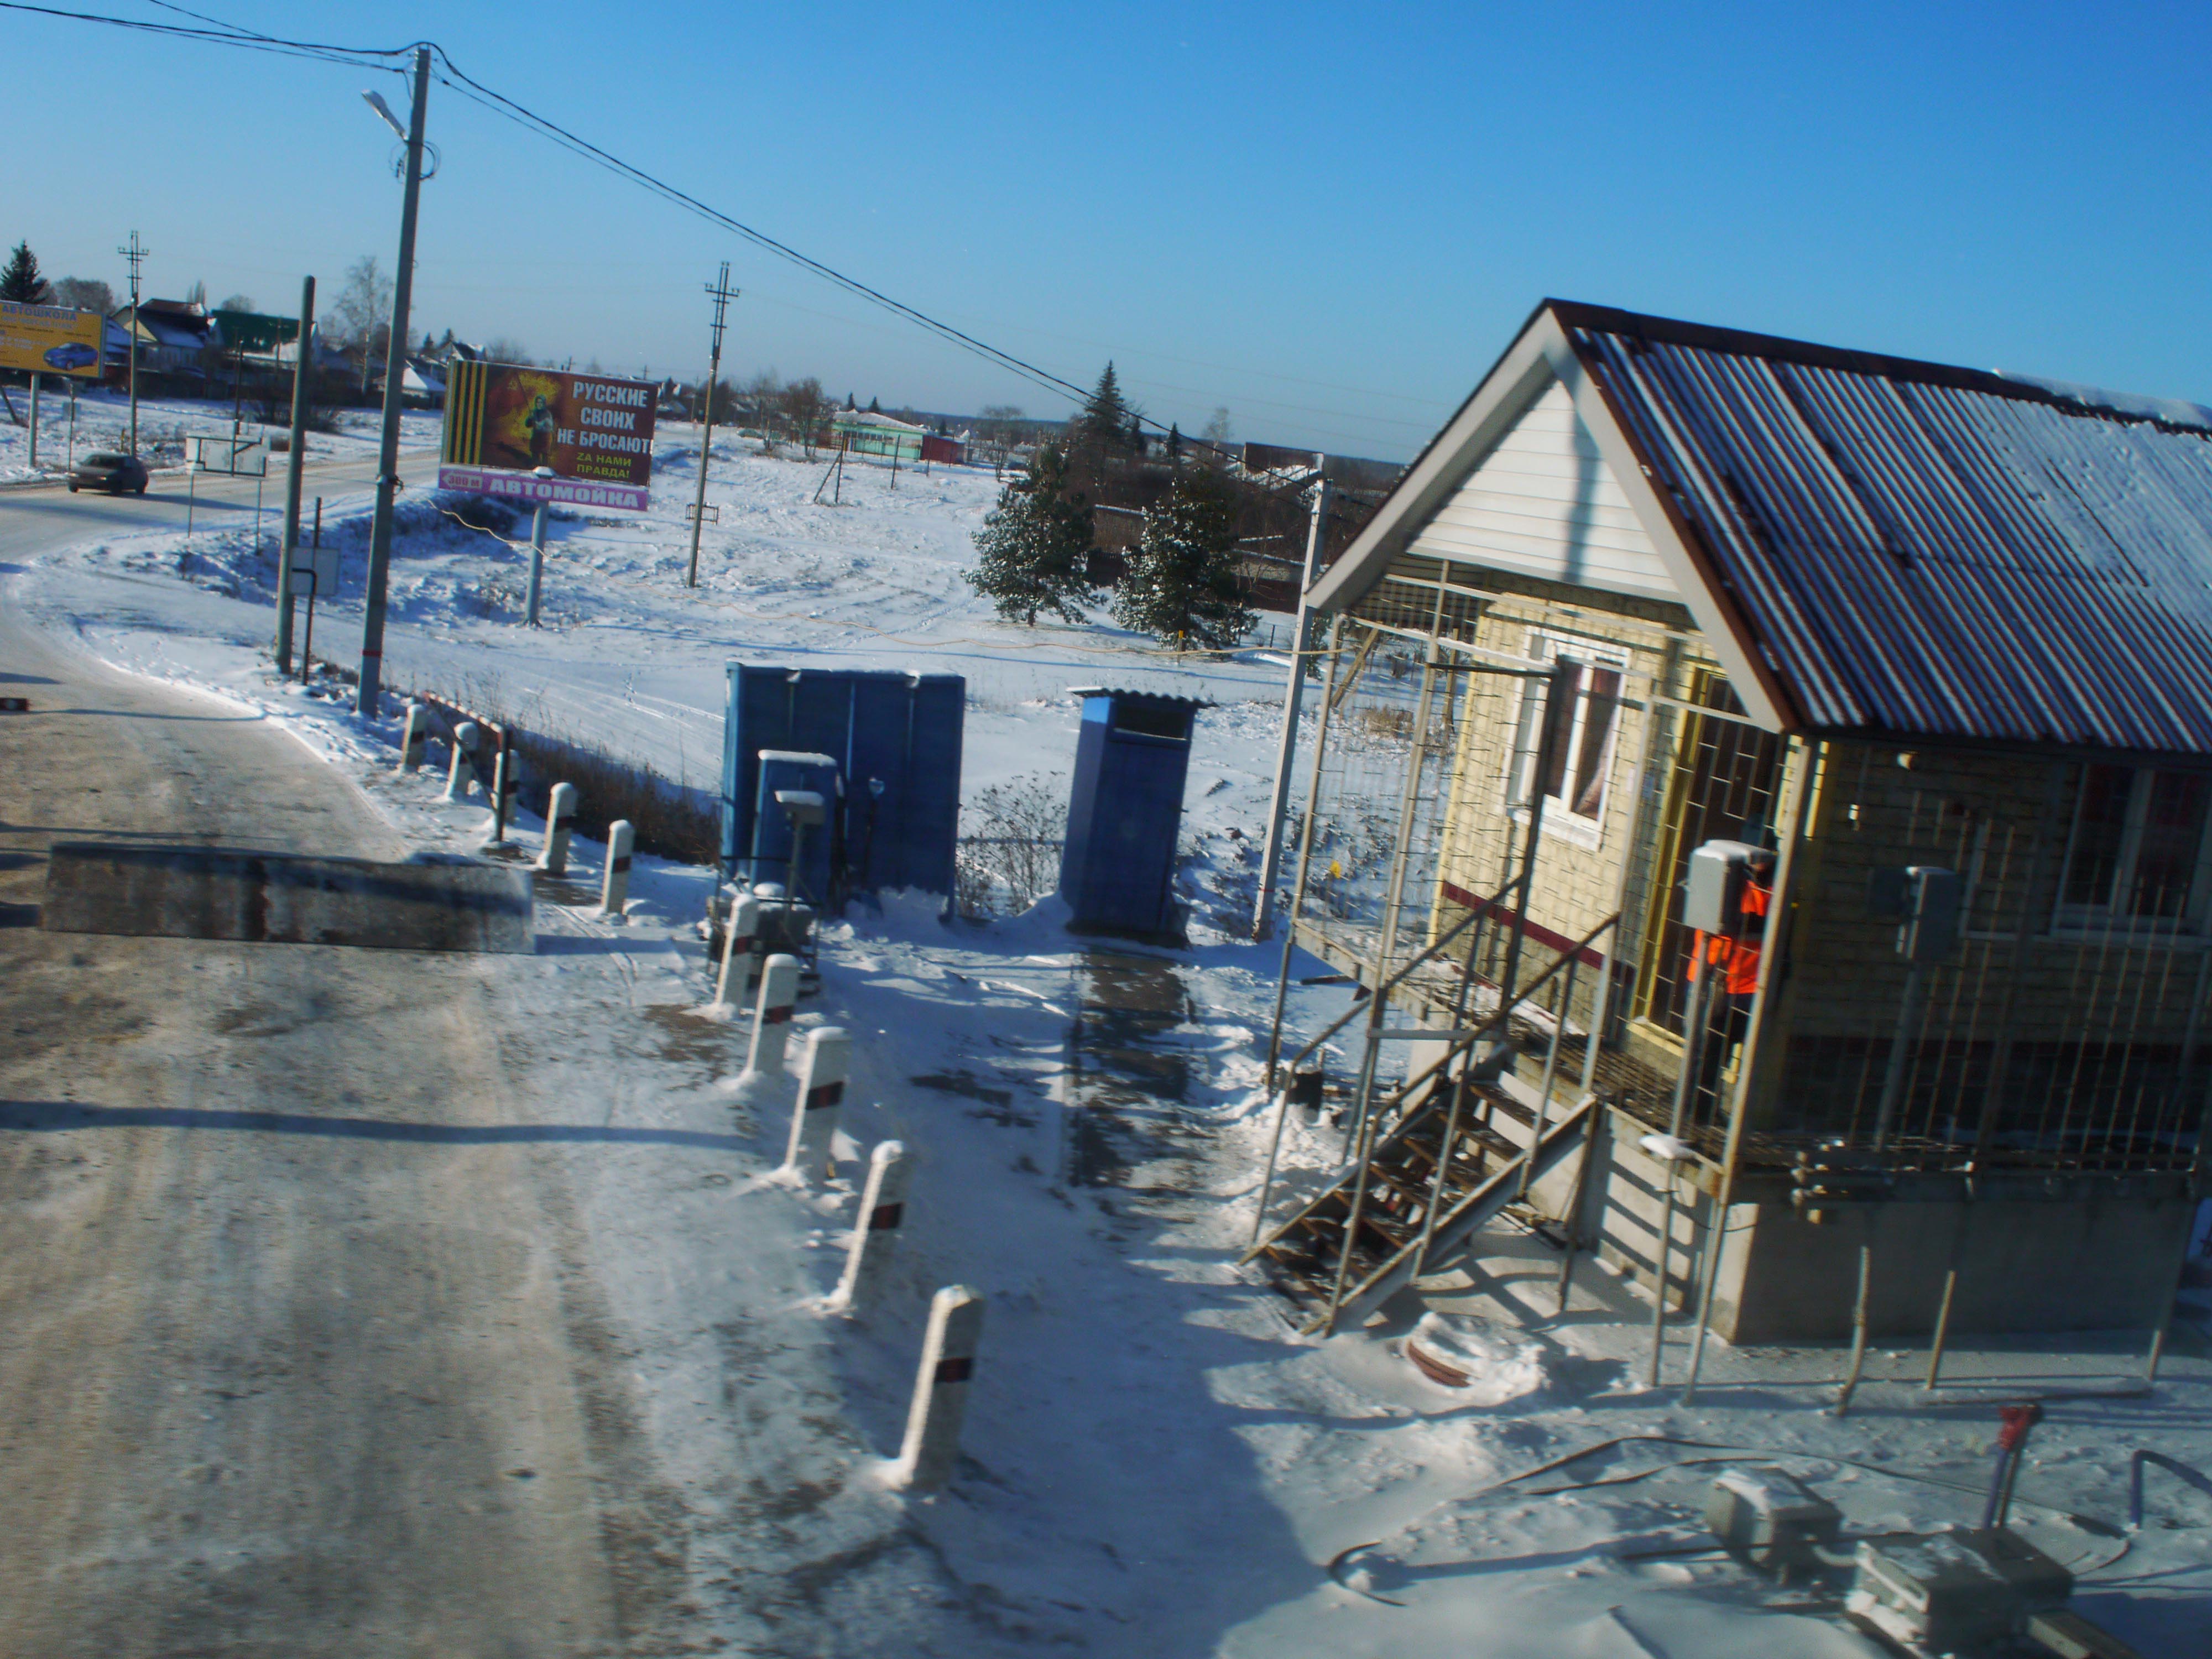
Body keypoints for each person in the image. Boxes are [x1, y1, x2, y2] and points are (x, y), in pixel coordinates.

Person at [1686, 846, 1776, 1108]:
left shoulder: (1777, 888)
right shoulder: (1727, 877)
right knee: (1704, 1048)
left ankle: (1708, 1107)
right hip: (1715, 980)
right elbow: (1724, 922)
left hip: (1749, 985)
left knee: (1725, 1051)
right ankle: (1694, 1107)